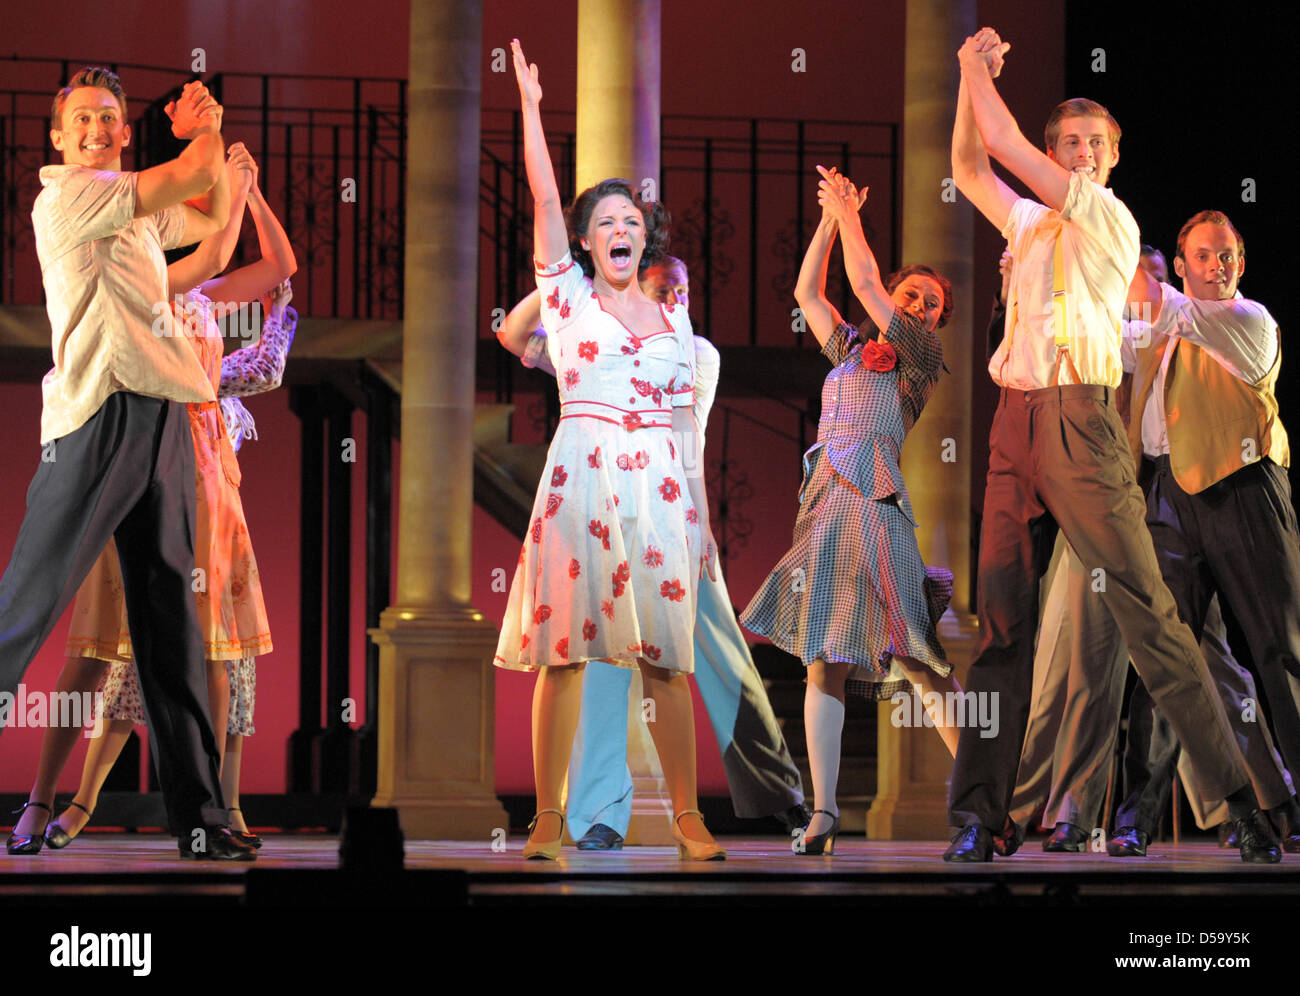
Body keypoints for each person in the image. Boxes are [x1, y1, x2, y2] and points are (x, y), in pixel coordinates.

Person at [944, 29, 1277, 862]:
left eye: (1095, 144)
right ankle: (981, 822)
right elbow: (970, 169)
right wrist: (963, 79)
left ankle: (1241, 803)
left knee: (1151, 617)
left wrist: (976, 72)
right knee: (1001, 627)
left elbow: (1002, 143)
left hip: (1083, 426)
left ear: (1112, 159)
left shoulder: (1107, 216)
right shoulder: (1028, 223)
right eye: (1070, 143)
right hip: (1012, 425)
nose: (1082, 153)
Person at [2, 68, 255, 860]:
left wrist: (216, 154)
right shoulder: (66, 197)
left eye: (107, 118)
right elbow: (191, 173)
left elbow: (212, 225)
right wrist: (204, 127)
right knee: (26, 606)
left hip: (162, 416)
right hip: (96, 414)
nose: (94, 130)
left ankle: (203, 821)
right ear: (57, 137)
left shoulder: (138, 217)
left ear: (122, 131)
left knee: (170, 621)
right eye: (80, 119)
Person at [493, 40, 722, 861]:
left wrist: (695, 523)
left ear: (643, 240)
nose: (619, 229)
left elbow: (688, 432)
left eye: (631, 221)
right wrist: (530, 108)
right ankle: (548, 818)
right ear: (586, 243)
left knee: (666, 659)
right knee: (566, 655)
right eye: (605, 223)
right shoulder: (567, 300)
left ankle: (690, 818)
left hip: (659, 487)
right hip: (583, 477)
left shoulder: (674, 326)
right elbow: (543, 195)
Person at [498, 256, 808, 848]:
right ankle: (598, 816)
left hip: (669, 509)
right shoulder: (597, 334)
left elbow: (687, 432)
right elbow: (519, 340)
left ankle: (777, 792)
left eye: (685, 289)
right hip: (605, 503)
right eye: (665, 288)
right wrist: (560, 280)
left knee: (714, 652)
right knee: (605, 662)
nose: (677, 298)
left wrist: (702, 524)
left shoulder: (694, 350)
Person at [740, 166, 960, 856]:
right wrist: (831, 222)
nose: (921, 306)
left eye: (931, 303)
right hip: (828, 505)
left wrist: (849, 212)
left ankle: (984, 801)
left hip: (879, 503)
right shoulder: (853, 352)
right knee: (822, 658)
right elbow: (810, 291)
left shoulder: (919, 357)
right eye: (912, 295)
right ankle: (826, 812)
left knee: (918, 658)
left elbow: (864, 284)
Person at [1109, 209, 1300, 855]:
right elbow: (1106, 333)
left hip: (1244, 486)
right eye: (1204, 256)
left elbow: (1154, 303)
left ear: (1239, 264)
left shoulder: (1249, 320)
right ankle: (1138, 812)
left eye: (1227, 256)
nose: (1217, 266)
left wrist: (1095, 224)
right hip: (1167, 497)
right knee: (1166, 656)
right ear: (1184, 264)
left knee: (1280, 650)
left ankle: (1294, 802)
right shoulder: (1165, 327)